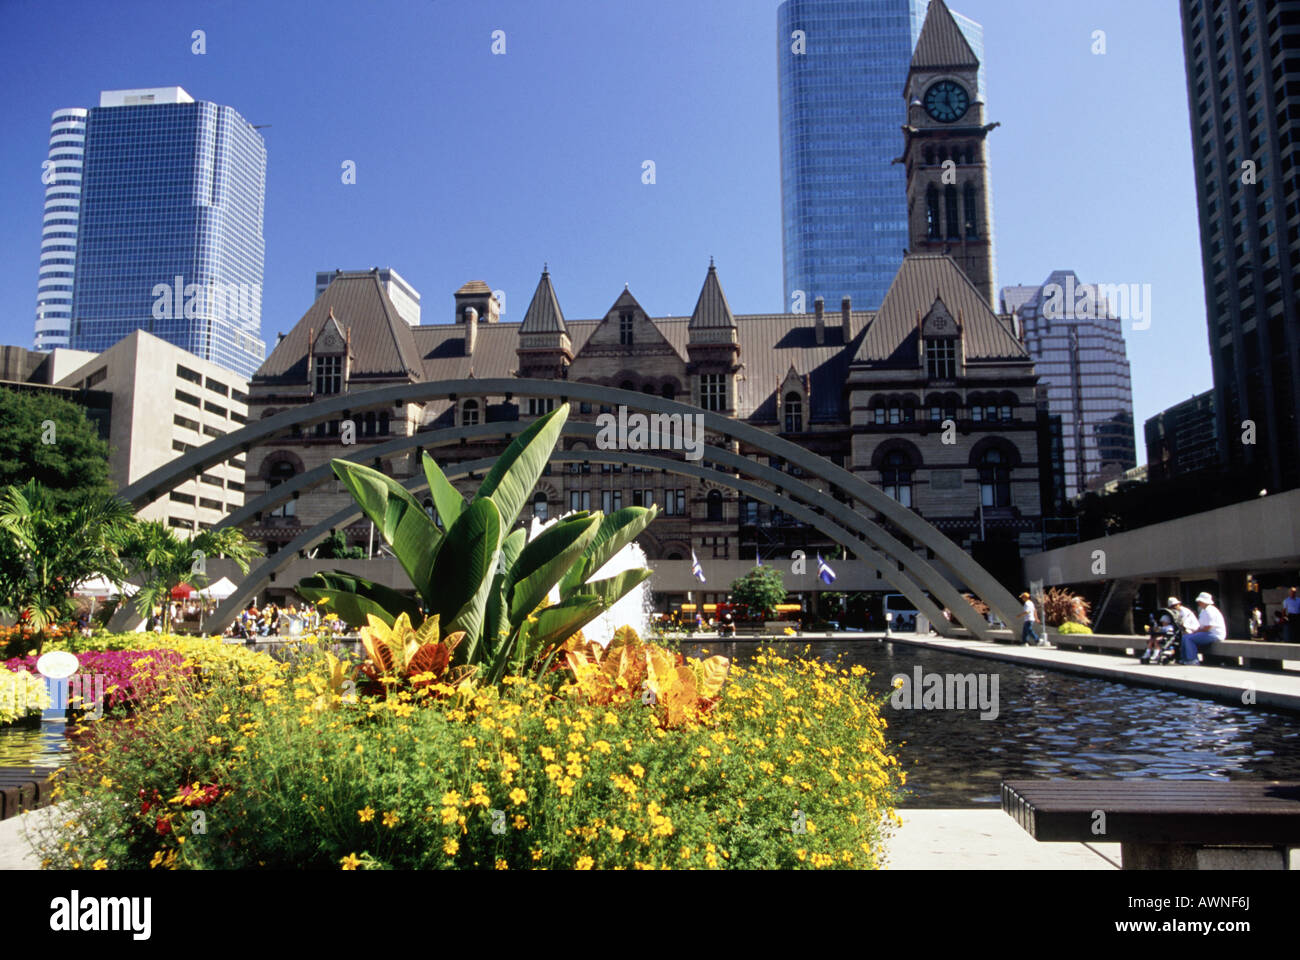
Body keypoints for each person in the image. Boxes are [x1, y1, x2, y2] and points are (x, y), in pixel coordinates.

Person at [1179, 592, 1226, 664]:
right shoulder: (1204, 610)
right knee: (1185, 637)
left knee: (1189, 638)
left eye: (1200, 601)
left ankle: (1193, 659)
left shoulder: (1210, 611)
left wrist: (1196, 632)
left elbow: (1208, 627)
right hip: (1207, 633)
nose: (1198, 602)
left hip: (1214, 634)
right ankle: (1185, 659)